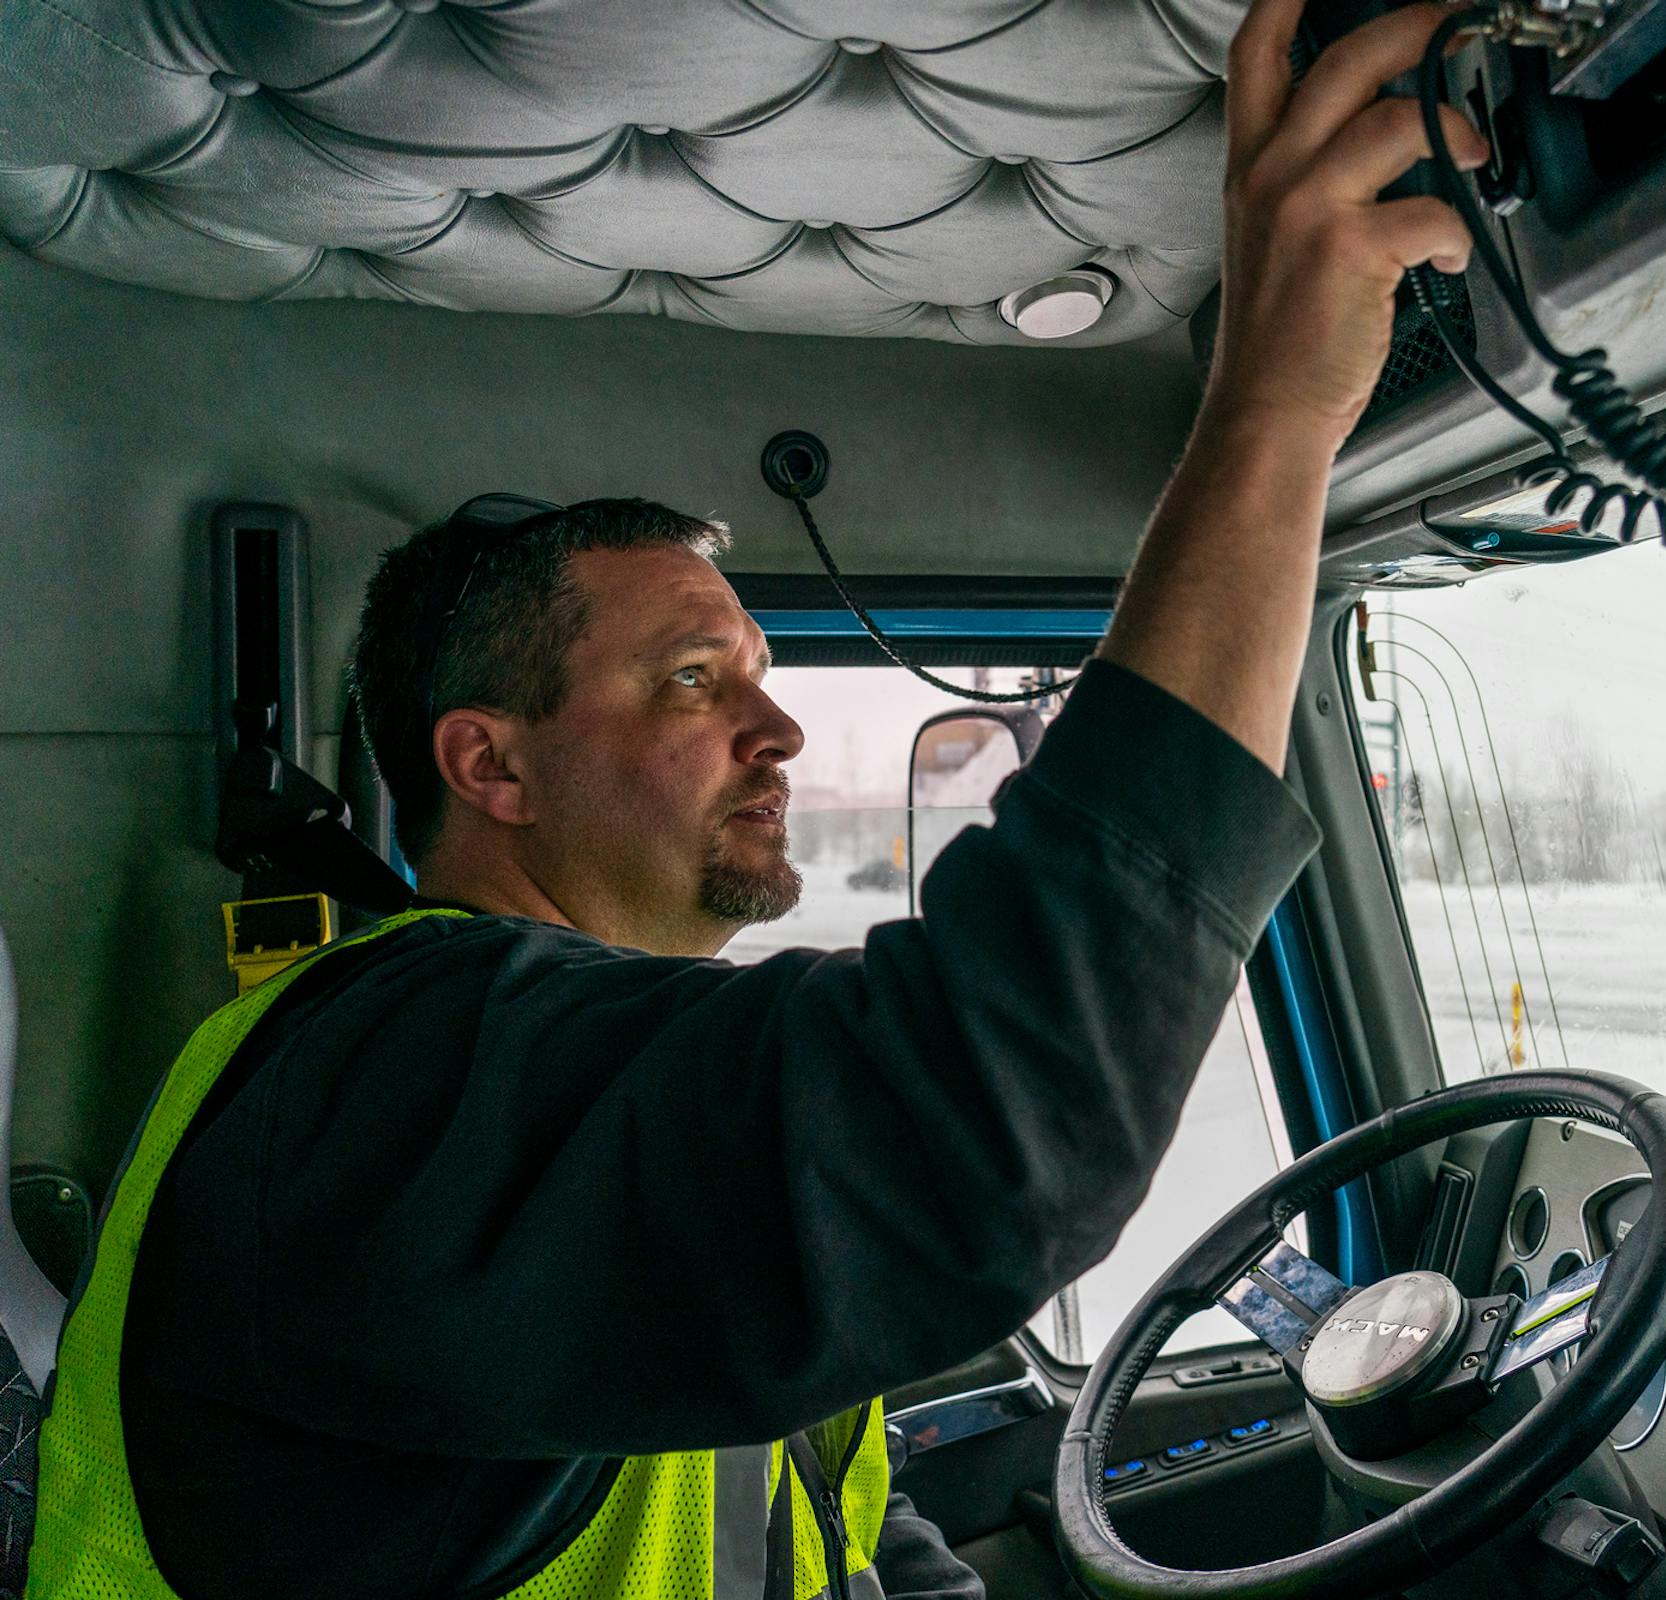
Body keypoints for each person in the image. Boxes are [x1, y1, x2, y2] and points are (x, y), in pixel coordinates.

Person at [27, 2, 1489, 1595]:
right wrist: (1273, 406)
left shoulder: (602, 1117)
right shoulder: (380, 1085)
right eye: (690, 682)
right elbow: (986, 1130)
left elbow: (828, 1526)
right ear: (488, 765)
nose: (779, 729)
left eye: (759, 674)